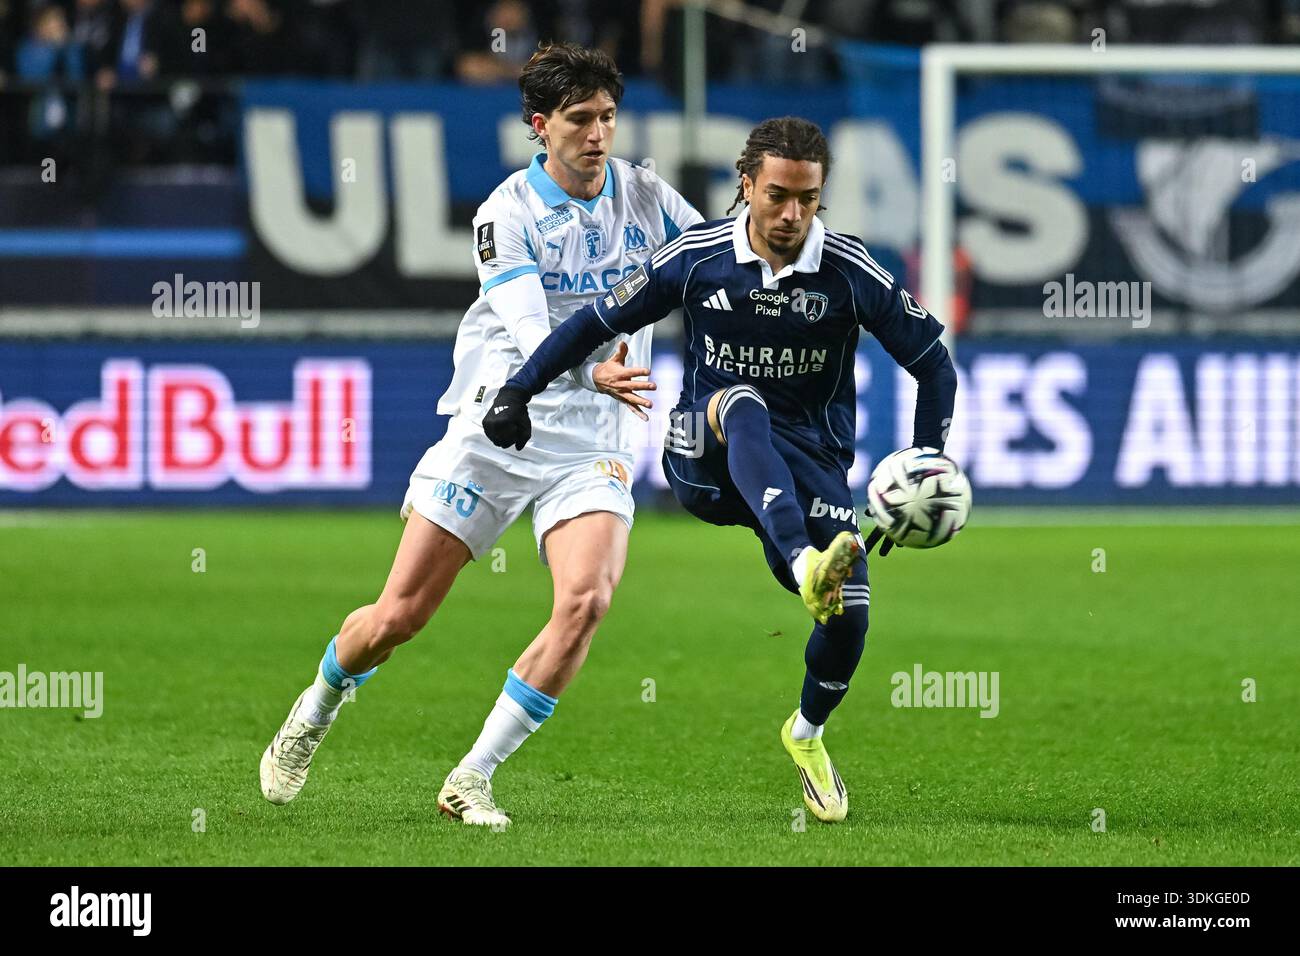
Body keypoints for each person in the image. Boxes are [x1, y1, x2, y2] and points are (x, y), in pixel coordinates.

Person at [259, 42, 701, 828]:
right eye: (579, 120)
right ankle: (318, 705)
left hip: (594, 436)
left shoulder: (647, 196)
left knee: (587, 600)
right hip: (501, 424)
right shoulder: (505, 214)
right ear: (540, 125)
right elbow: (533, 330)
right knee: (399, 617)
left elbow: (715, 263)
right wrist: (589, 368)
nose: (598, 134)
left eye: (607, 117)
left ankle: (473, 775)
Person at [483, 116, 958, 823]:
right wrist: (518, 389)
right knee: (741, 402)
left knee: (850, 618)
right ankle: (803, 565)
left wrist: (926, 461)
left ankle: (806, 734)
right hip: (704, 451)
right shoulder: (698, 256)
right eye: (776, 196)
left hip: (810, 464)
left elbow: (933, 365)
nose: (792, 213)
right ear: (746, 185)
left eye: (807, 198)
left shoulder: (851, 272)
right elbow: (592, 324)